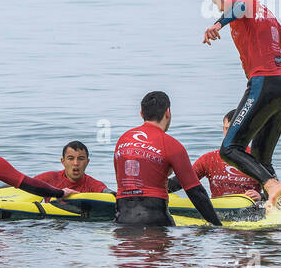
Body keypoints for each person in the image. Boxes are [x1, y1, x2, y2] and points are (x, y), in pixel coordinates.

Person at [202, 0, 281, 207]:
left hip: (264, 83)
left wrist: (217, 24)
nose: (213, 3)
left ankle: (271, 185)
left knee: (229, 148)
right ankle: (278, 208)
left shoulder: (245, 1)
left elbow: (239, 6)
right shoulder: (265, 13)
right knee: (260, 157)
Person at [113, 92, 223, 226]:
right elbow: (195, 191)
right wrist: (217, 226)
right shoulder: (171, 144)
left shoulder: (122, 140)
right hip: (156, 221)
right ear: (168, 112)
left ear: (141, 113)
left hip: (122, 220)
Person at [167, 110, 261, 199]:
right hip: (218, 210)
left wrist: (261, 196)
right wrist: (155, 186)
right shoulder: (210, 159)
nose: (230, 134)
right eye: (227, 129)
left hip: (251, 212)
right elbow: (182, 181)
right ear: (223, 129)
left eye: (235, 130)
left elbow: (274, 191)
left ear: (246, 131)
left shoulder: (258, 159)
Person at [34, 141, 110, 194]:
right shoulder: (48, 179)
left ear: (87, 162)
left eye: (81, 158)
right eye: (70, 158)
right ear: (63, 161)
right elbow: (26, 187)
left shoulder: (94, 185)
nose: (76, 163)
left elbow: (108, 193)